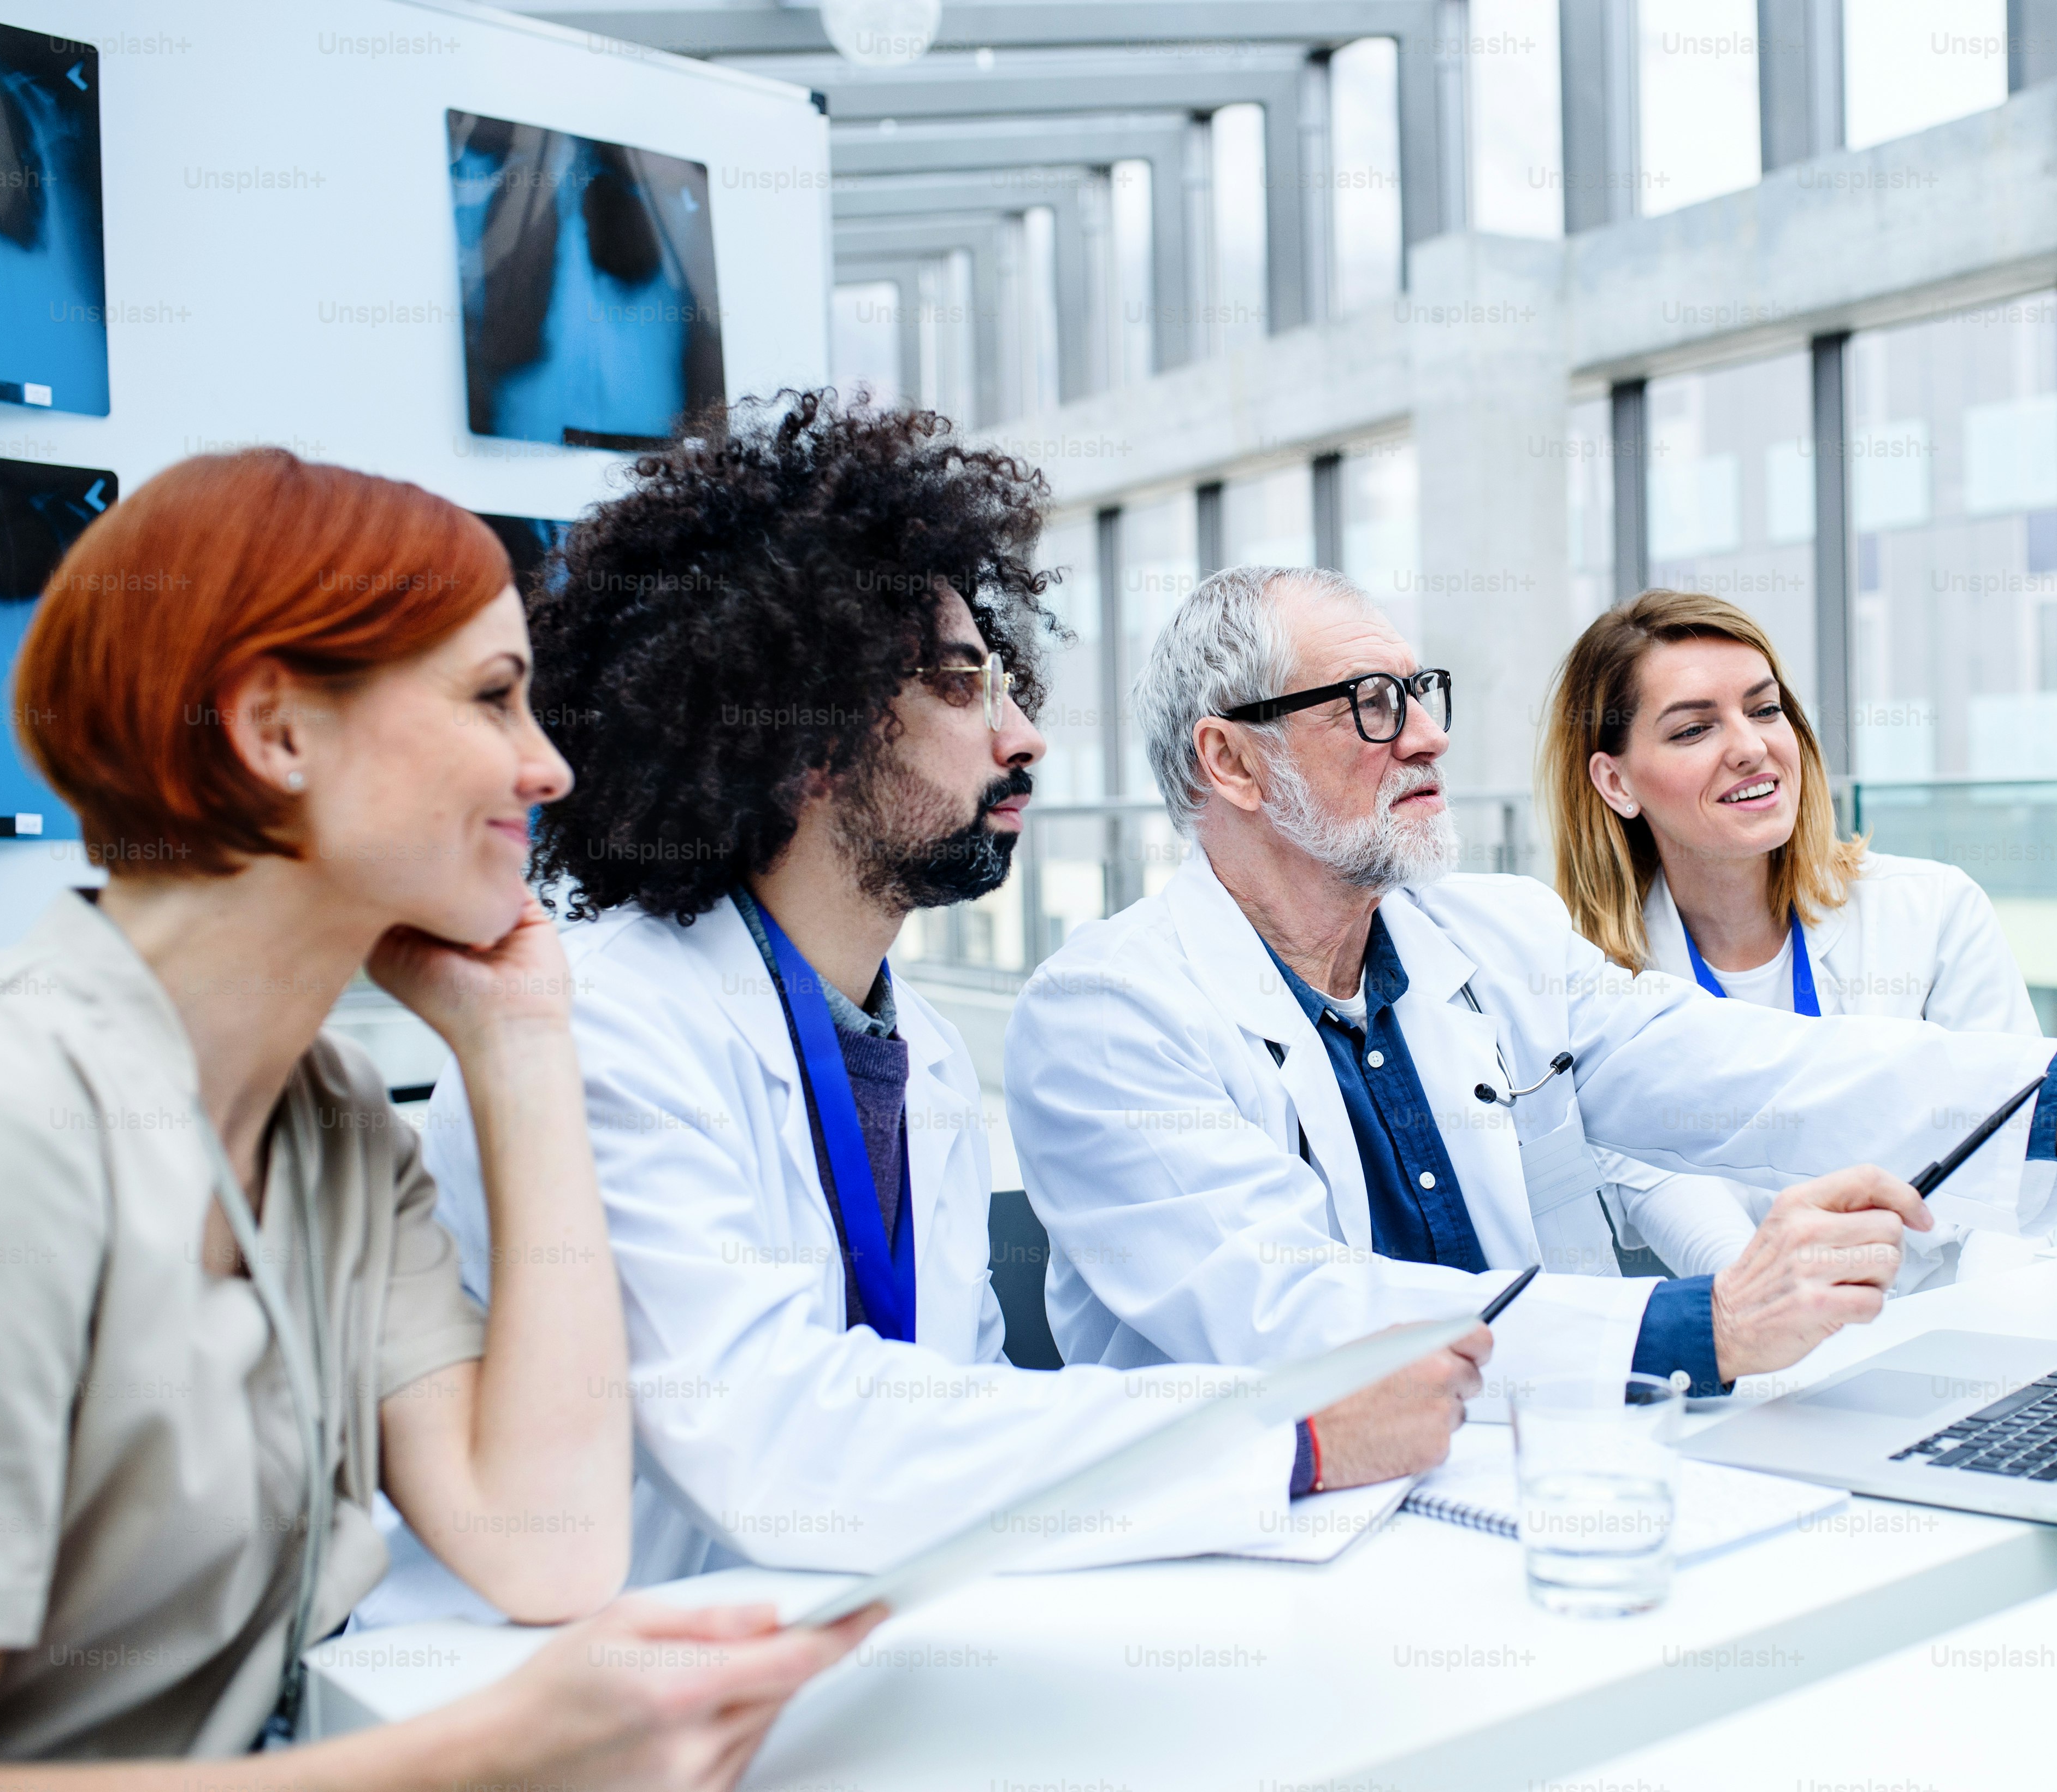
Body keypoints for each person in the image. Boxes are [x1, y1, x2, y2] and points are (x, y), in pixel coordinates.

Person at [363, 394, 1483, 1627]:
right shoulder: (609, 1024)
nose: (1027, 737)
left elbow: (963, 1407)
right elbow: (783, 1442)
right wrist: (1288, 1435)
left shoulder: (924, 1053)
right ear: (809, 730)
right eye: (962, 689)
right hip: (576, 1699)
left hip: (835, 1664)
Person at [0, 450, 876, 1783]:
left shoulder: (335, 1122)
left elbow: (549, 1537)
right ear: (277, 731)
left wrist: (519, 1042)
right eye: (494, 700)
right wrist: (488, 1754)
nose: (549, 768)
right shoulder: (21, 1123)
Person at [1005, 565, 2057, 1402]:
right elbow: (1292, 1316)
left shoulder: (1497, 936)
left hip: (1533, 1480)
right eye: (1370, 703)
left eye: (1423, 691)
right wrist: (1700, 1324)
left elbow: (1752, 1074)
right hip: (1278, 1562)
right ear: (1231, 765)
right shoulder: (1109, 1016)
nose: (1429, 733)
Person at [1542, 587, 2057, 1284]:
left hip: (1951, 1323)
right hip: (1760, 1350)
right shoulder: (1589, 987)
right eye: (1692, 730)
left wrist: (1981, 1350)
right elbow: (1706, 1238)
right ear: (1614, 782)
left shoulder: (1933, 910)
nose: (1751, 747)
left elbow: (2017, 1155)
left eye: (1765, 710)